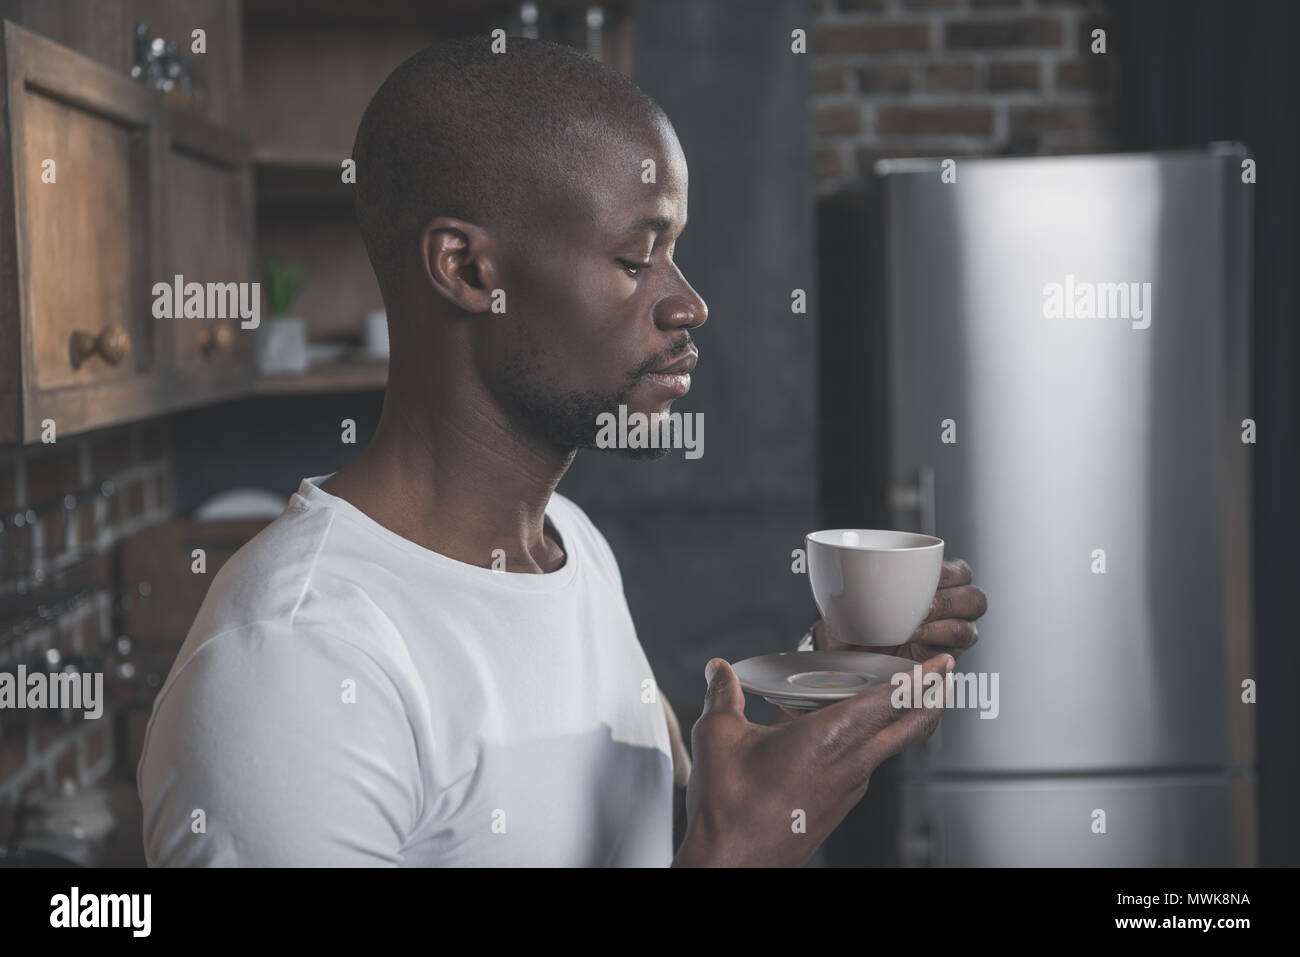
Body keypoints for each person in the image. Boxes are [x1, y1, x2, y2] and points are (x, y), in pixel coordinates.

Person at [138, 36, 986, 867]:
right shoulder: (295, 667)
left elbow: (664, 839)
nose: (689, 304)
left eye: (676, 252)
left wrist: (823, 700)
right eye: (634, 257)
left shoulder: (568, 545)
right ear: (467, 269)